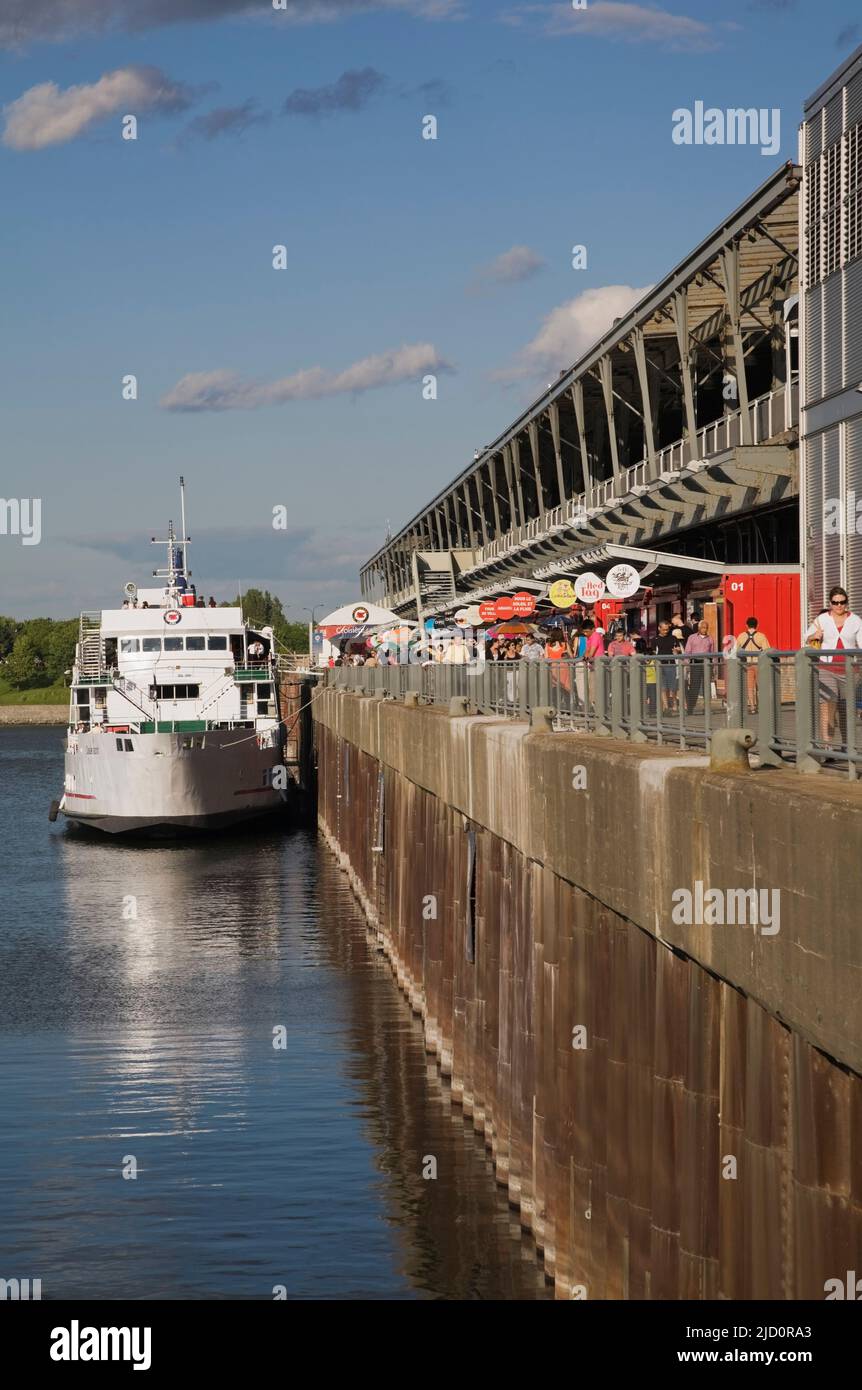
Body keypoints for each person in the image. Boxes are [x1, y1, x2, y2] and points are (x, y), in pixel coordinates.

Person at [804, 587, 862, 750]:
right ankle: (827, 746)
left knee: (846, 709)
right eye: (835, 602)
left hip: (849, 669)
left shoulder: (855, 620)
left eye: (842, 602)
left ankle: (847, 746)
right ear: (830, 603)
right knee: (828, 703)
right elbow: (806, 638)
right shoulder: (822, 619)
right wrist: (813, 636)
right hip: (826, 667)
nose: (839, 606)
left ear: (846, 603)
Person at [736, 617, 771, 713]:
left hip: (747, 664)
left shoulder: (741, 636)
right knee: (761, 685)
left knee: (750, 687)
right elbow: (767, 650)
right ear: (757, 625)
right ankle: (762, 706)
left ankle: (752, 707)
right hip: (759, 663)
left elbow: (736, 650)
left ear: (746, 625)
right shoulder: (761, 636)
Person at [684, 620, 715, 714]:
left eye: (706, 628)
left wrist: (713, 667)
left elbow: (713, 653)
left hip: (707, 664)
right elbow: (687, 651)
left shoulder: (710, 639)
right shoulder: (692, 638)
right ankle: (690, 708)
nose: (704, 629)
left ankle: (707, 708)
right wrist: (687, 664)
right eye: (703, 627)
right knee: (694, 686)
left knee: (707, 686)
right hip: (695, 663)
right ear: (699, 628)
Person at [654, 620, 683, 713]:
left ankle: (674, 703)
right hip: (659, 665)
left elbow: (679, 649)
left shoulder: (673, 638)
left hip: (670, 664)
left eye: (667, 629)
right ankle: (666, 706)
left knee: (673, 687)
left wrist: (677, 650)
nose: (665, 631)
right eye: (663, 630)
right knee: (662, 687)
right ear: (659, 628)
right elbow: (653, 652)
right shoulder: (655, 639)